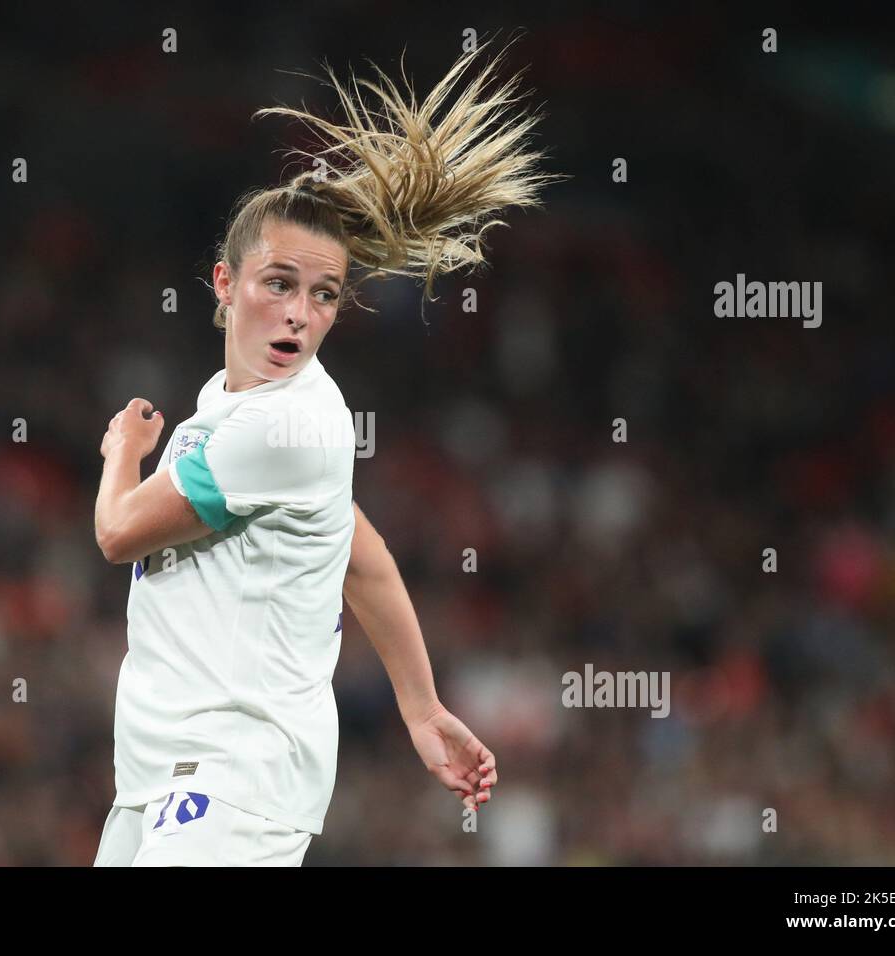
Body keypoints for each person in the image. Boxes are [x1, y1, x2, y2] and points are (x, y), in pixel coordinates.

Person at [91, 38, 557, 866]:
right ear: (225, 283)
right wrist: (422, 708)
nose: (301, 315)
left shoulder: (290, 424)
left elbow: (119, 534)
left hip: (239, 775)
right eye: (279, 284)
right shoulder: (229, 408)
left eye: (325, 295)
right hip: (158, 769)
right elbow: (361, 550)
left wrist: (122, 451)